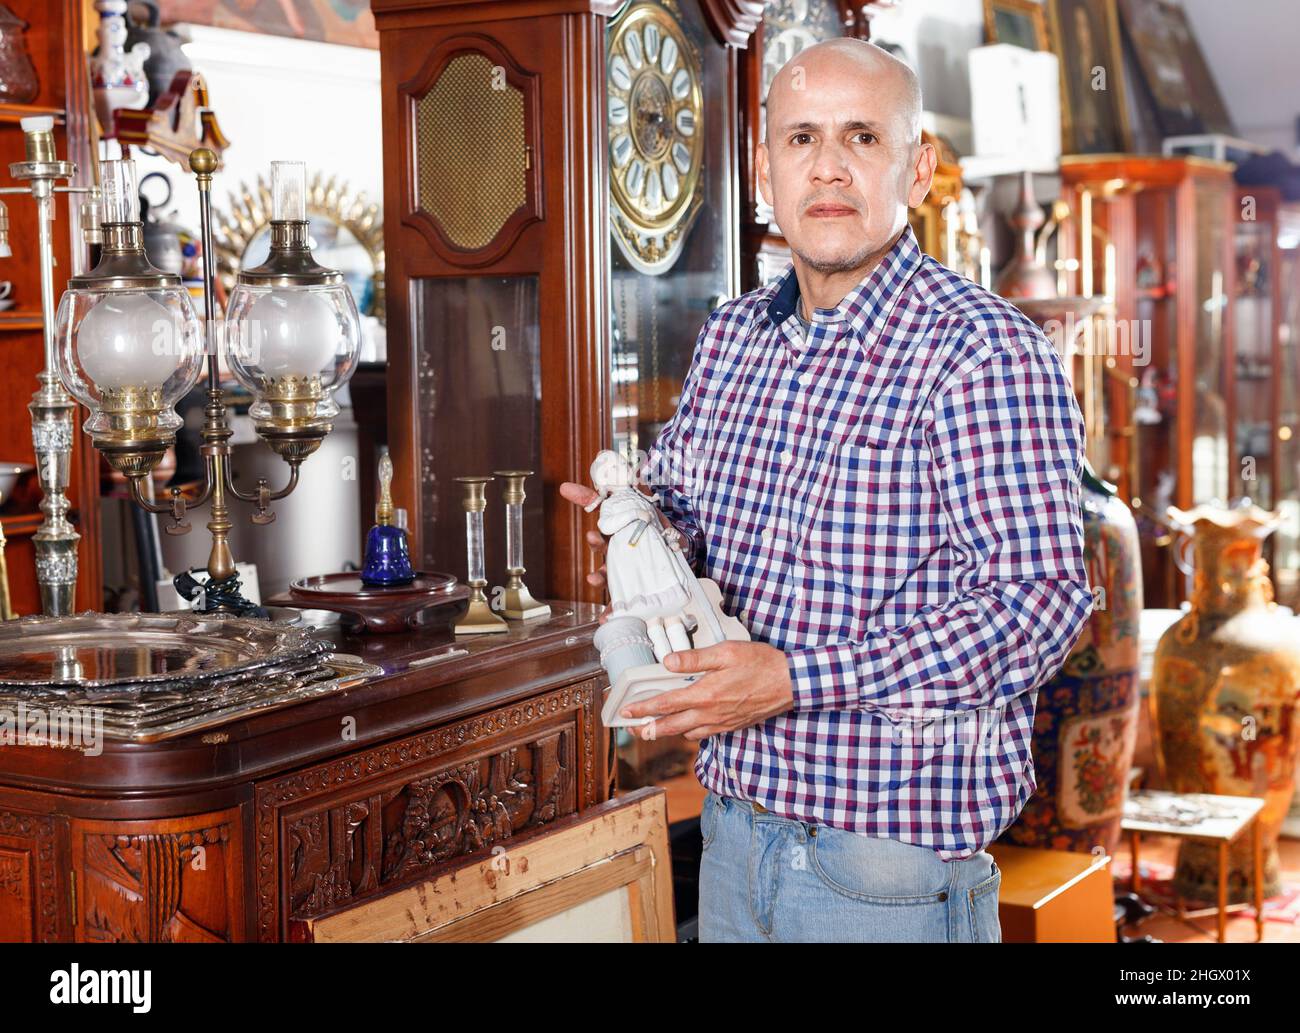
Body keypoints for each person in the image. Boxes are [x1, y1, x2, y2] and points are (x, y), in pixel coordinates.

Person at [560, 38, 1092, 942]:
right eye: (801, 139)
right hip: (731, 843)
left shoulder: (983, 354)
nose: (830, 167)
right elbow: (696, 515)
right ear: (765, 170)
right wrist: (639, 529)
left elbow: (1037, 607)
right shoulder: (734, 336)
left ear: (917, 168)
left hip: (885, 877)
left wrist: (797, 681)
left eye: (863, 137)